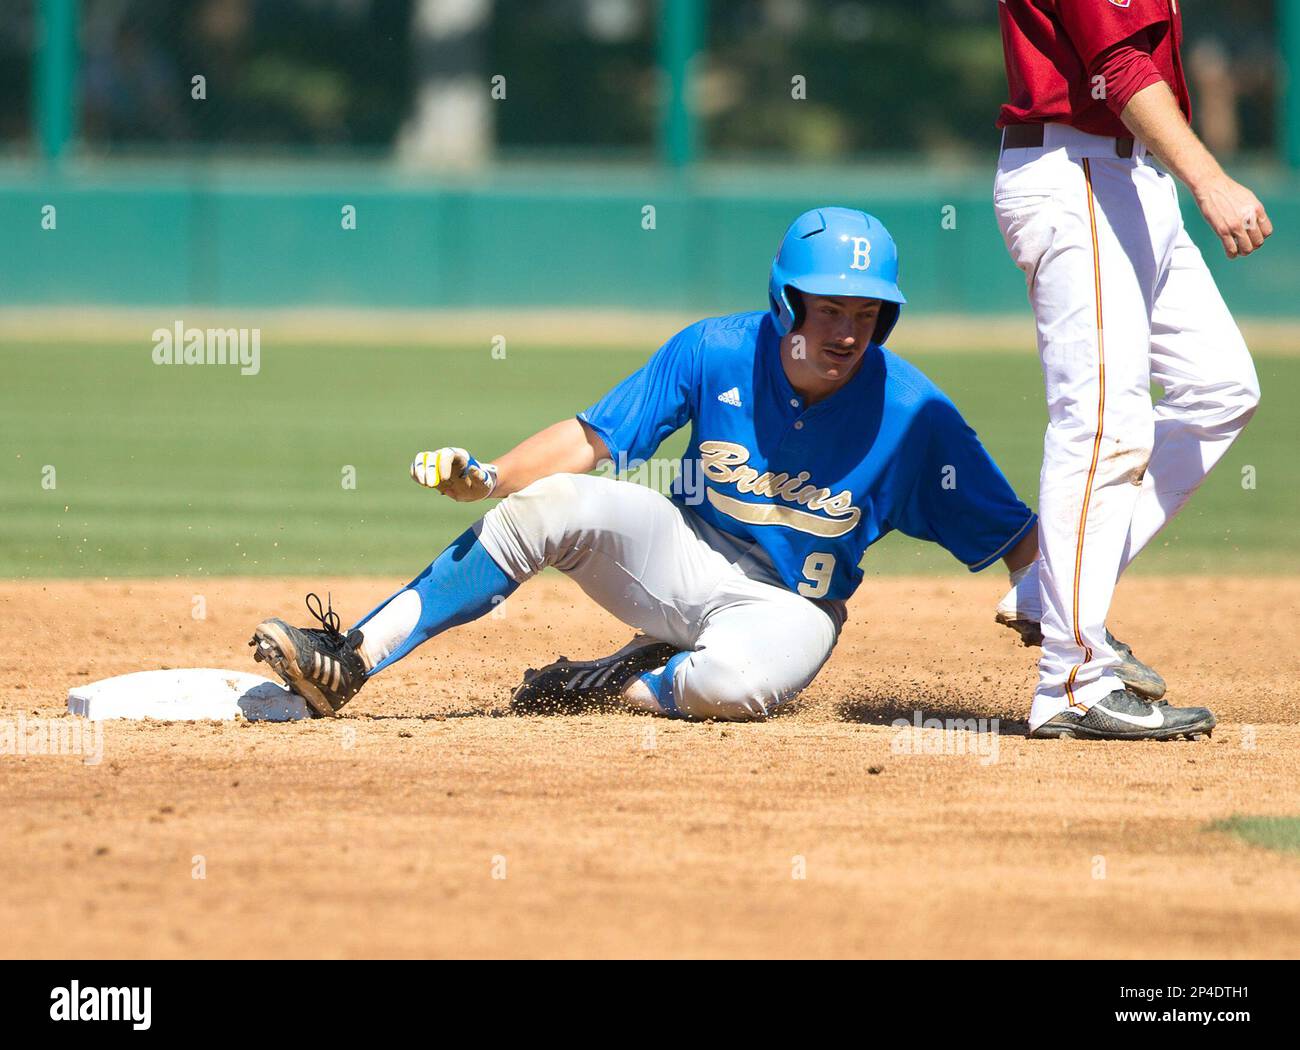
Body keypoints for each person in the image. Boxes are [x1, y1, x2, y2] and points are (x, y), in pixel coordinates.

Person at [250, 207, 1162, 727]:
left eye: (869, 312)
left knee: (736, 688)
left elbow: (1015, 537)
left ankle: (613, 682)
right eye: (830, 307)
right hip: (680, 552)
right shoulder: (715, 352)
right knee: (554, 504)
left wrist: (1072, 637)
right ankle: (351, 658)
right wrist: (491, 478)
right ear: (786, 301)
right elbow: (593, 439)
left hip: (792, 608)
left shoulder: (915, 412)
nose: (849, 330)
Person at [994, 1, 1266, 739]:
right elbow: (1117, 65)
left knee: (1221, 387)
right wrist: (1210, 178)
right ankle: (1072, 683)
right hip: (1076, 167)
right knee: (1104, 426)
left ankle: (1050, 595)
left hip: (1133, 175)